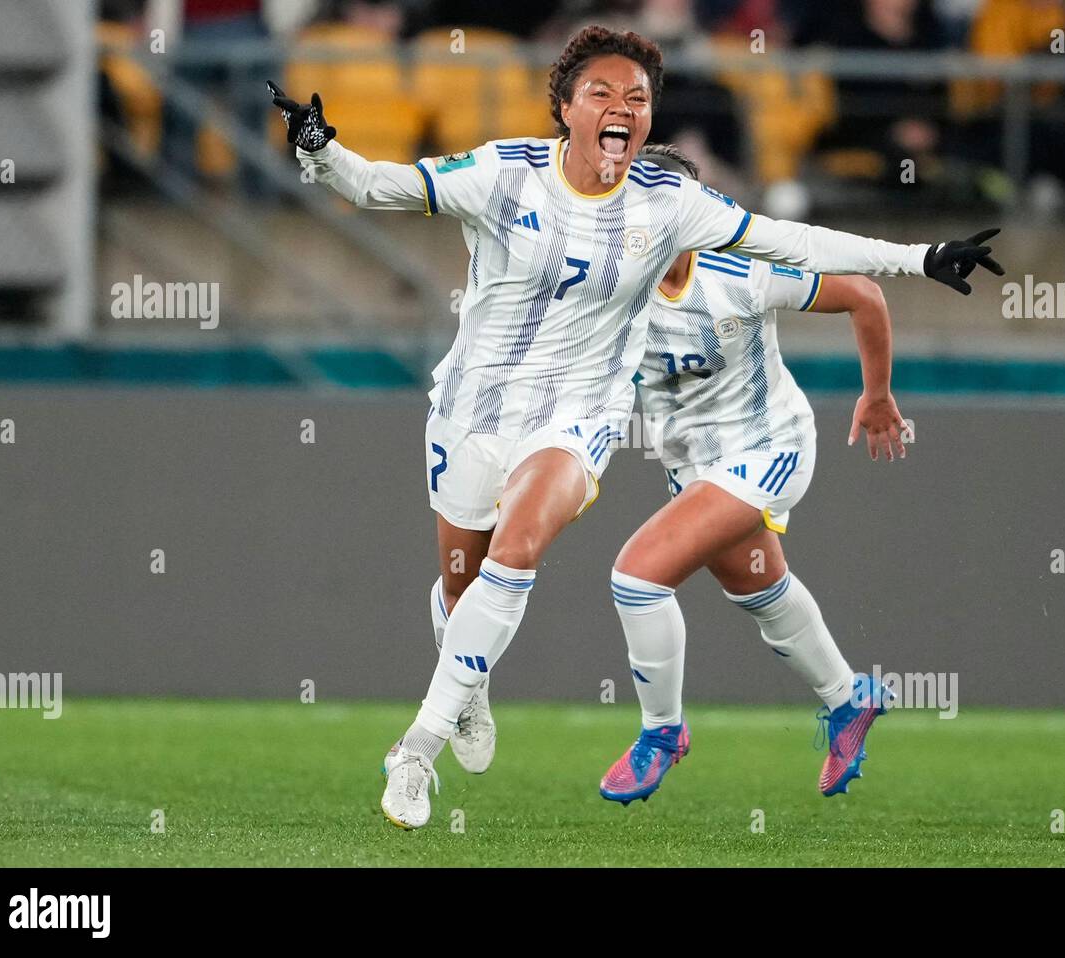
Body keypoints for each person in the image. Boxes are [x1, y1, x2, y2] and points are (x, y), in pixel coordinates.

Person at [267, 24, 1003, 830]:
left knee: (569, 562)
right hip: (480, 409)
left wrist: (920, 255)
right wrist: (321, 152)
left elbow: (798, 244)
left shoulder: (686, 223)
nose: (622, 110)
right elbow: (381, 186)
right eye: (603, 95)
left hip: (624, 424)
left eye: (639, 99)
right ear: (565, 108)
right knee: (480, 581)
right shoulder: (507, 175)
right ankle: (837, 696)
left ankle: (425, 751)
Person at [599, 143, 907, 804]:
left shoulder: (743, 267)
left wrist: (876, 395)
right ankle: (849, 699)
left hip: (771, 448)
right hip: (695, 464)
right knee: (759, 589)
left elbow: (865, 295)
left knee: (637, 577)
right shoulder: (607, 286)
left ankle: (662, 734)